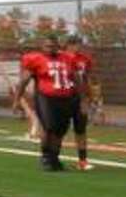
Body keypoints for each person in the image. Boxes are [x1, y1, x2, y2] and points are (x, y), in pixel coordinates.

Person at [16, 32, 80, 172]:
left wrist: (82, 97)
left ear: (58, 46)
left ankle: (55, 158)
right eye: (47, 46)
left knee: (60, 131)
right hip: (46, 97)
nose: (50, 48)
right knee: (49, 127)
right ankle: (46, 156)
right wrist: (17, 100)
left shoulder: (68, 58)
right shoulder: (35, 59)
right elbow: (24, 81)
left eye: (53, 45)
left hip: (66, 98)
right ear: (42, 46)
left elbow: (76, 79)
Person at [62, 34, 101, 170]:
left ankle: (82, 160)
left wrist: (91, 96)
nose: (78, 47)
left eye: (79, 44)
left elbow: (87, 78)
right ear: (68, 45)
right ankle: (51, 156)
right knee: (59, 128)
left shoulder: (85, 59)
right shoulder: (62, 58)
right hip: (64, 96)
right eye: (76, 44)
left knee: (81, 129)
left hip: (79, 98)